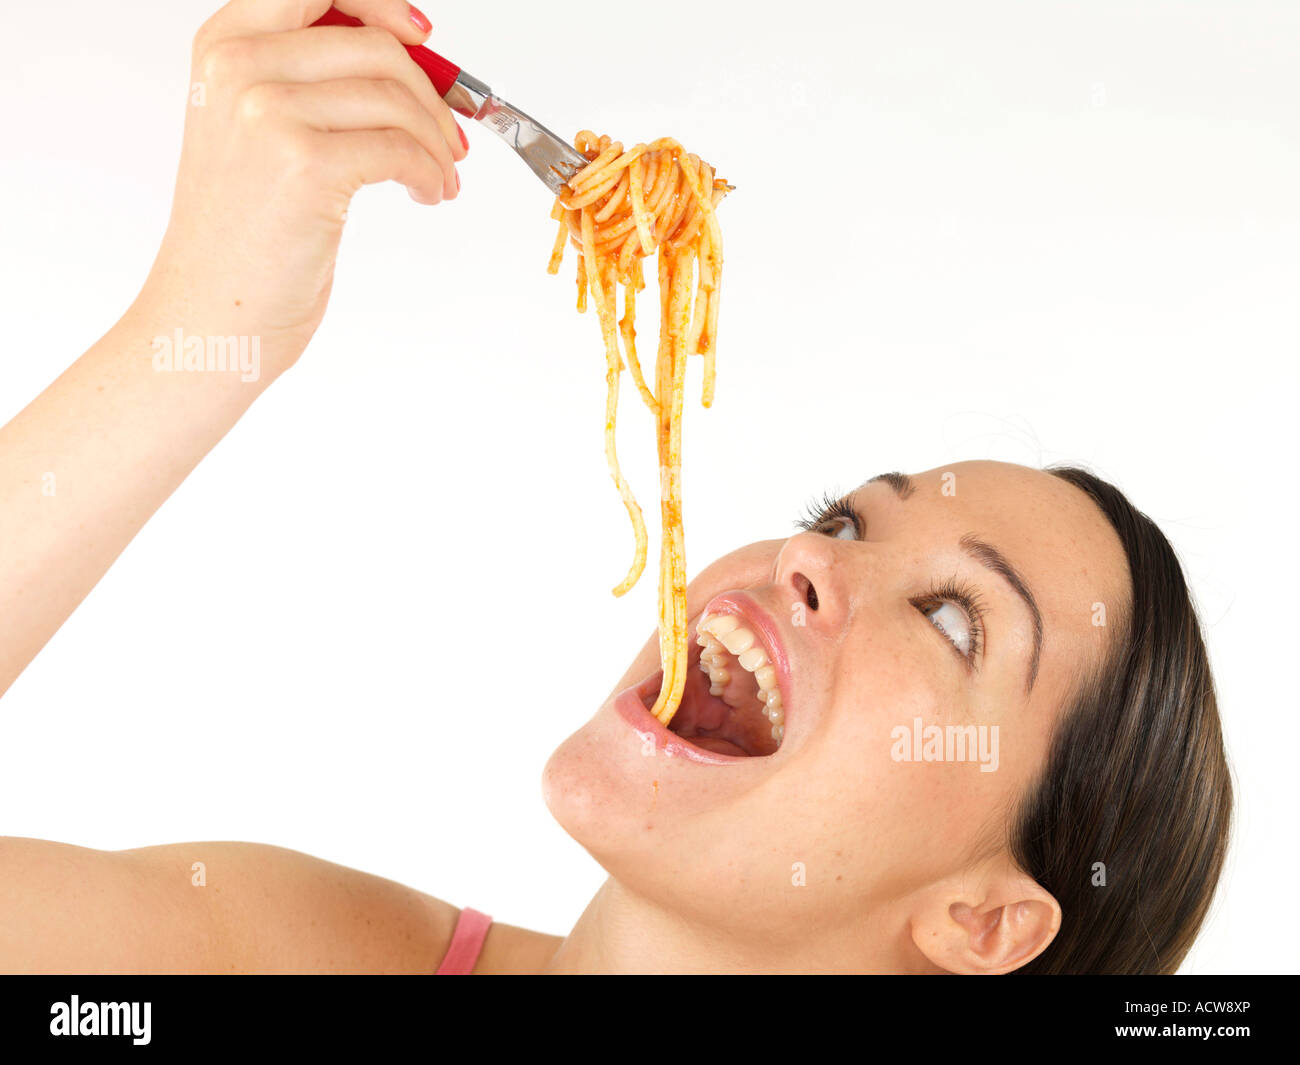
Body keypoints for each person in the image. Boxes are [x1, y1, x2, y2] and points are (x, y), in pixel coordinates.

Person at [0, 0, 1231, 974]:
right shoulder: (276, 952)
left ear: (983, 924)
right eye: (840, 521)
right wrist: (198, 336)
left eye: (951, 617)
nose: (809, 560)